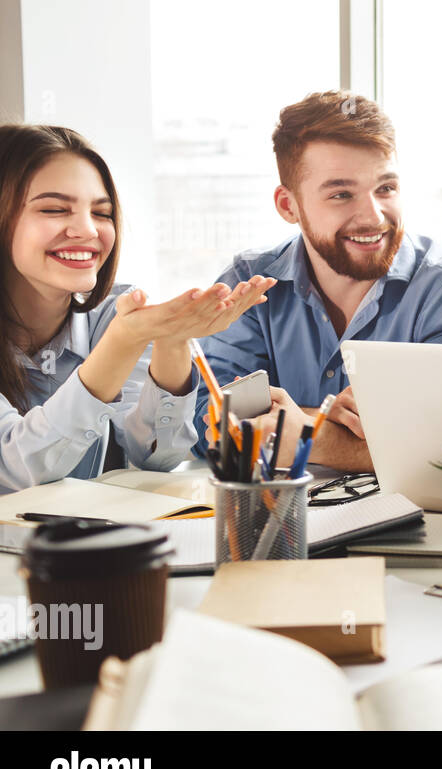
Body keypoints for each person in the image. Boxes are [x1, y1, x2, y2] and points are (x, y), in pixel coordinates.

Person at [193, 91, 442, 471]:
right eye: (342, 194)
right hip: (279, 520)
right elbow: (208, 425)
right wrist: (327, 420)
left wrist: (313, 438)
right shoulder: (250, 284)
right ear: (288, 206)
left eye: (386, 189)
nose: (373, 216)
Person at [0, 124, 273, 493]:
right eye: (53, 209)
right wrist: (122, 343)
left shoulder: (115, 314)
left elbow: (158, 457)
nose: (87, 229)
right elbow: (18, 470)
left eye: (102, 212)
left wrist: (173, 340)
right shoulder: (122, 330)